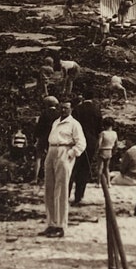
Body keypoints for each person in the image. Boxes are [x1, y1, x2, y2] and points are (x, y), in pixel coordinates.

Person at [41, 100, 86, 238]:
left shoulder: (74, 124)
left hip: (64, 152)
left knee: (61, 189)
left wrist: (70, 154)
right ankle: (51, 223)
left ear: (71, 109)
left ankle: (60, 225)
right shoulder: (55, 122)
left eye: (66, 108)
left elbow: (81, 143)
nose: (63, 110)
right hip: (52, 151)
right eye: (61, 108)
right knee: (49, 188)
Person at [32, 96, 60, 183]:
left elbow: (39, 127)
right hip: (54, 138)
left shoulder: (44, 113)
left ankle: (35, 178)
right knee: (54, 159)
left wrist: (35, 137)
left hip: (43, 137)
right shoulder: (59, 114)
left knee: (38, 157)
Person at [96, 117, 118, 182]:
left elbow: (99, 143)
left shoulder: (103, 133)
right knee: (107, 168)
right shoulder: (114, 133)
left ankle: (98, 183)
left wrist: (97, 151)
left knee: (100, 168)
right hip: (109, 150)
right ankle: (108, 183)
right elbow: (116, 144)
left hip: (103, 150)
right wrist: (114, 151)